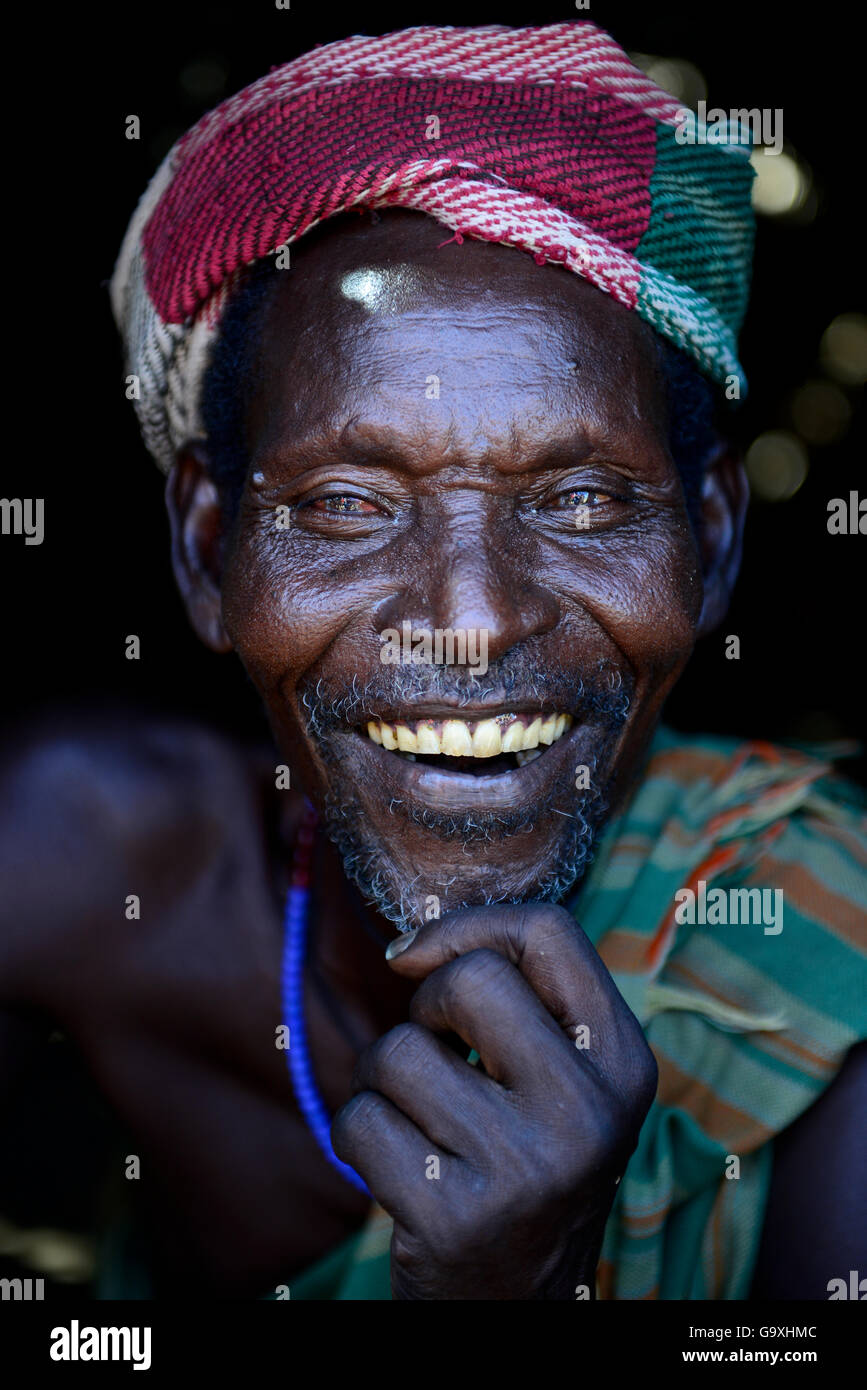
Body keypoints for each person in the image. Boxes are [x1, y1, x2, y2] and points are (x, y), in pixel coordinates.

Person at [2, 21, 865, 1301]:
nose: (471, 621)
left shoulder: (822, 986)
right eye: (348, 502)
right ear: (205, 551)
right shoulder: (72, 857)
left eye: (580, 500)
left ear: (714, 543)